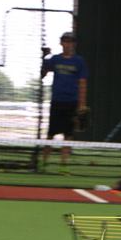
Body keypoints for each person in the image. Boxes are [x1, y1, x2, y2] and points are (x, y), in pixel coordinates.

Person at [41, 31, 89, 168]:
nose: (68, 44)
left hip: (72, 102)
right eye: (65, 41)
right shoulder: (55, 59)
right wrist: (44, 58)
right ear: (61, 43)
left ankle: (64, 165)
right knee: (51, 134)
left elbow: (83, 83)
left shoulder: (79, 61)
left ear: (74, 44)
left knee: (68, 135)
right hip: (57, 101)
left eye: (71, 42)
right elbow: (43, 74)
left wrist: (82, 105)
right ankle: (44, 163)